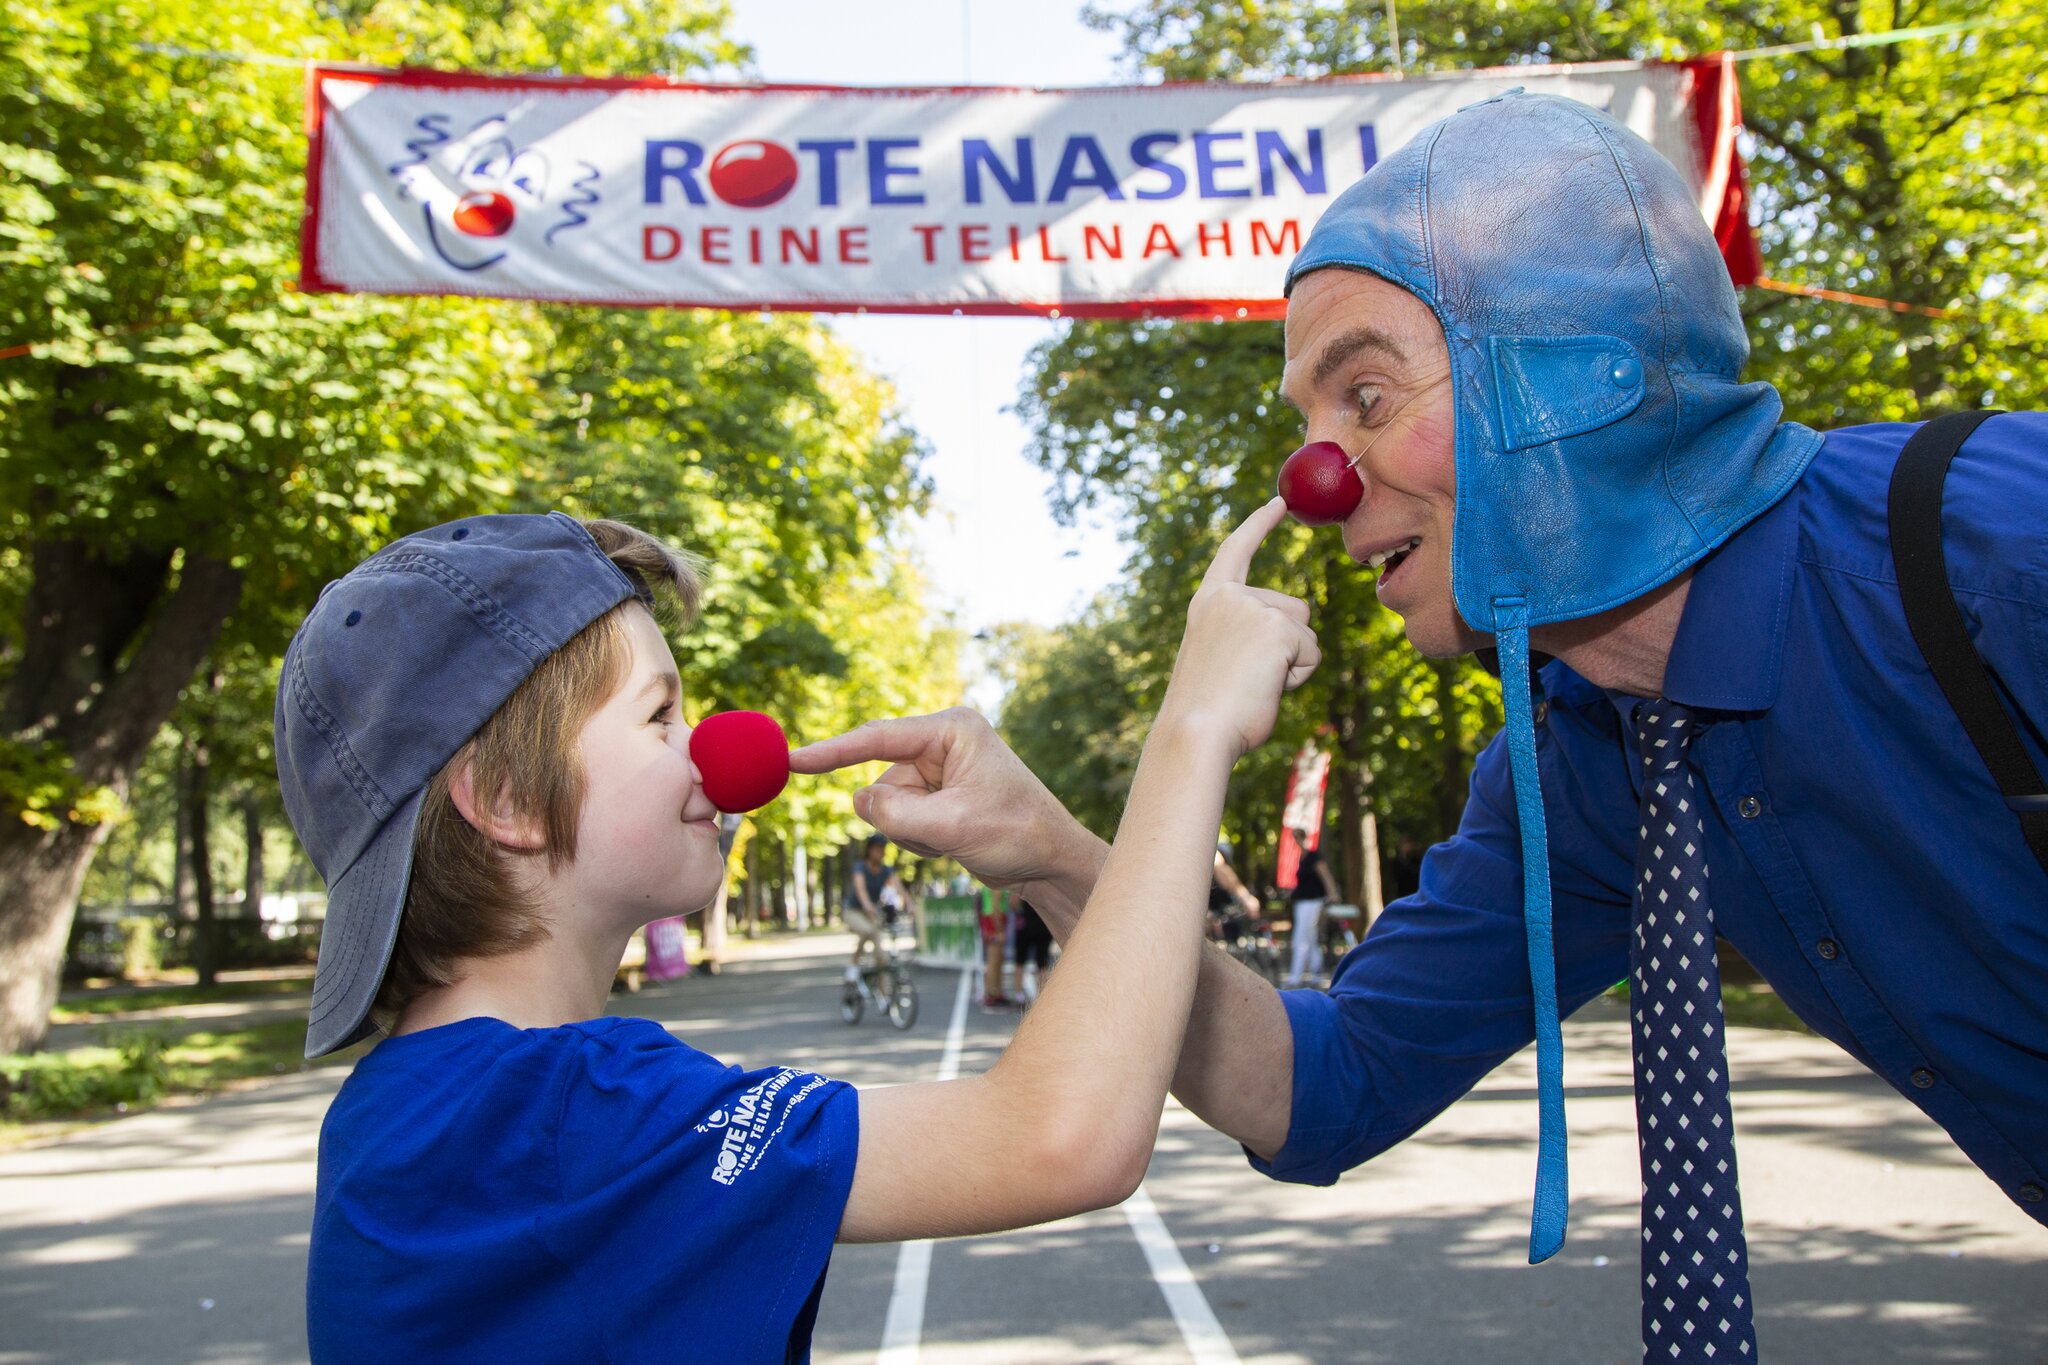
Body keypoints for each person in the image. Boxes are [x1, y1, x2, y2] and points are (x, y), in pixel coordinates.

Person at [798, 91, 2048, 1360]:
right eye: (1305, 423)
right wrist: (1057, 855)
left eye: (1366, 396)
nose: (1312, 481)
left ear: (1568, 375)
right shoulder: (1574, 765)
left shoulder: (2006, 553)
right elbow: (1322, 1087)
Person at [277, 506, 1317, 1361]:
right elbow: (1058, 1137)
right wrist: (1193, 730)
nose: (716, 750)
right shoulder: (554, 1114)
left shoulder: (415, 1113)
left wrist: (1042, 846)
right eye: (658, 716)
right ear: (507, 799)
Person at [844, 832, 905, 984]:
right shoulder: (860, 867)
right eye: (877, 849)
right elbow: (860, 890)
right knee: (867, 930)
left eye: (882, 849)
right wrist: (867, 905)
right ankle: (854, 964)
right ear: (869, 850)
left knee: (881, 956)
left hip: (871, 913)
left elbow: (899, 887)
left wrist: (909, 904)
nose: (880, 852)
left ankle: (885, 997)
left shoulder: (886, 870)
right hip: (854, 911)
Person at [1282, 828, 1339, 989]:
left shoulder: (1314, 856)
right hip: (1302, 902)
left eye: (1298, 837)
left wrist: (1332, 893)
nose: (1297, 840)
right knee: (1310, 938)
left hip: (1312, 902)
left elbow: (1325, 875)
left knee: (1301, 936)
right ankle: (1316, 974)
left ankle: (1296, 975)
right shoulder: (1302, 859)